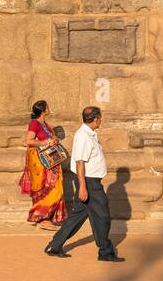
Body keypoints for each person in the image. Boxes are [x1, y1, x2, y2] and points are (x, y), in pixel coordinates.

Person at [44, 106, 123, 262]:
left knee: (76, 217)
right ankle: (105, 252)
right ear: (95, 119)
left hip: (89, 182)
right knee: (103, 216)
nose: (100, 121)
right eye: (100, 118)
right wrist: (83, 188)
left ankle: (54, 246)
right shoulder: (83, 136)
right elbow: (80, 163)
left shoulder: (89, 134)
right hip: (89, 183)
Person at [19, 99, 67, 227]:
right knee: (46, 188)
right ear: (43, 110)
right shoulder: (34, 123)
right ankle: (42, 218)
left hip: (51, 161)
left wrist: (54, 139)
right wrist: (46, 142)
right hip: (41, 163)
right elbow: (29, 141)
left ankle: (50, 216)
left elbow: (48, 138)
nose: (49, 108)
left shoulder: (44, 123)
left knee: (57, 188)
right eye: (47, 106)